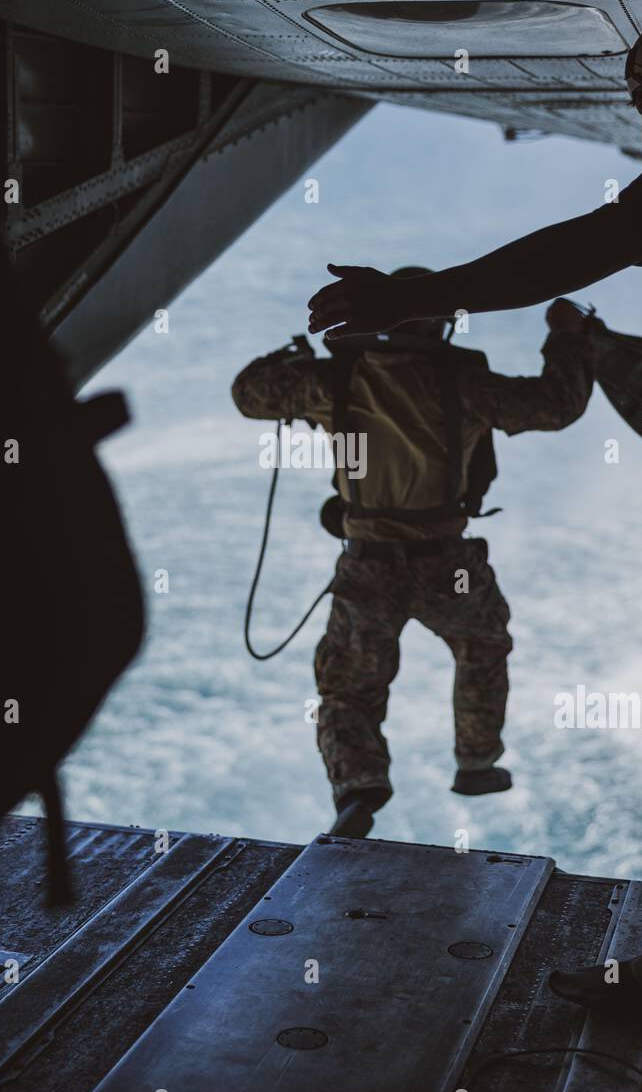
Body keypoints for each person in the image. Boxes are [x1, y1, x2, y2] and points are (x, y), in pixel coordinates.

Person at [307, 0, 642, 1016]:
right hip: (434, 553)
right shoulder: (454, 383)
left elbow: (590, 243)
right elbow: (548, 405)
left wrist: (407, 295)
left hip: (383, 554)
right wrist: (571, 348)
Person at [233, 271, 595, 837]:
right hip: (445, 564)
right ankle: (476, 763)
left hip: (367, 564)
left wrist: (294, 356)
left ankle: (357, 788)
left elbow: (249, 392)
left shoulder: (333, 382)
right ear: (438, 322)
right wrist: (568, 336)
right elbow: (556, 405)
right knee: (481, 644)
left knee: (349, 687)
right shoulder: (466, 384)